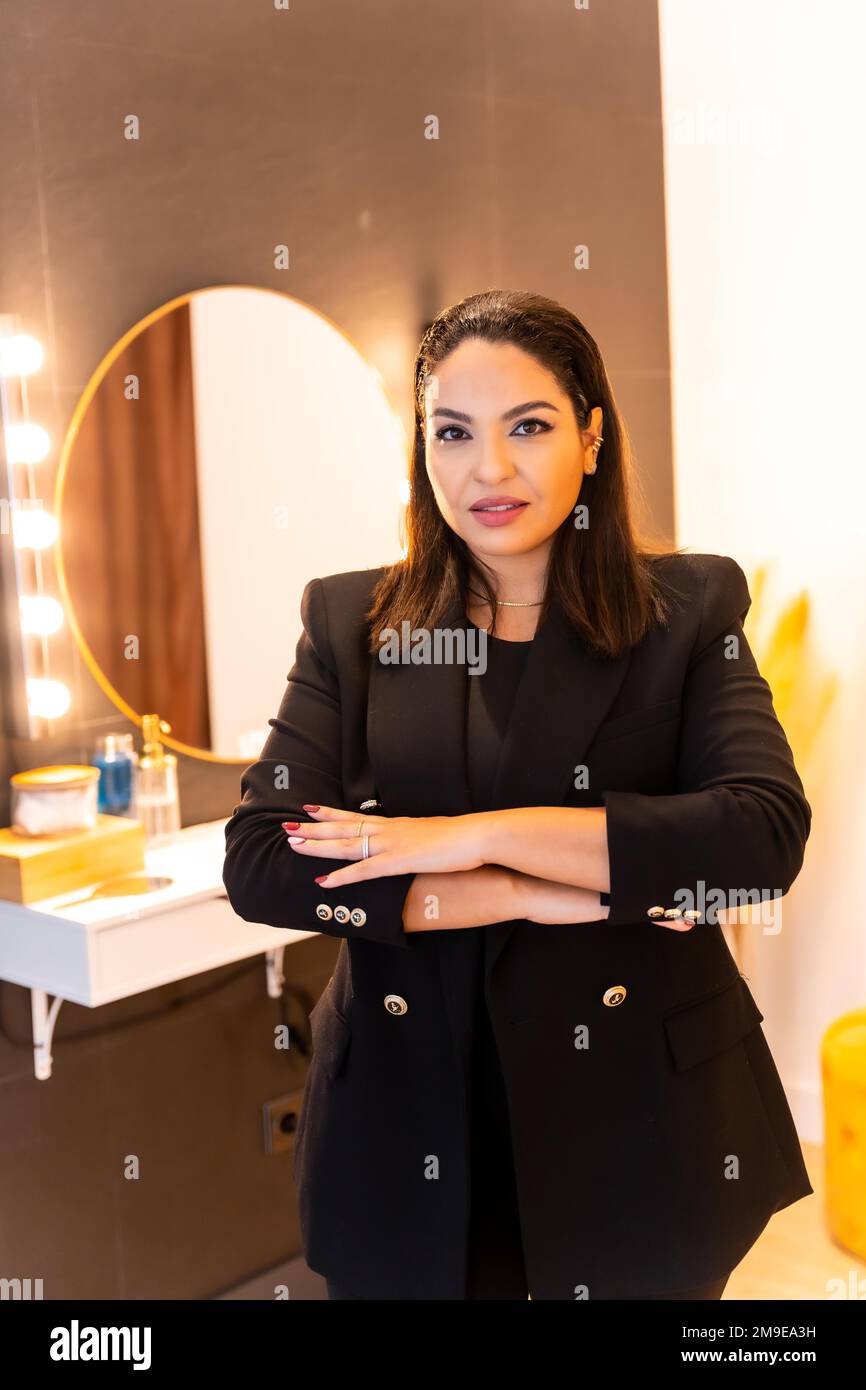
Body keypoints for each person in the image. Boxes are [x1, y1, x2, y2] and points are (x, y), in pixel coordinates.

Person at [222, 289, 813, 1300]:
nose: (485, 470)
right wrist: (520, 888)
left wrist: (457, 839)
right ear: (423, 447)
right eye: (451, 432)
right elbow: (263, 861)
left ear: (589, 437)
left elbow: (757, 835)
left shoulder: (684, 609)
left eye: (527, 427)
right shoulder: (349, 620)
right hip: (409, 1113)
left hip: (634, 1116)